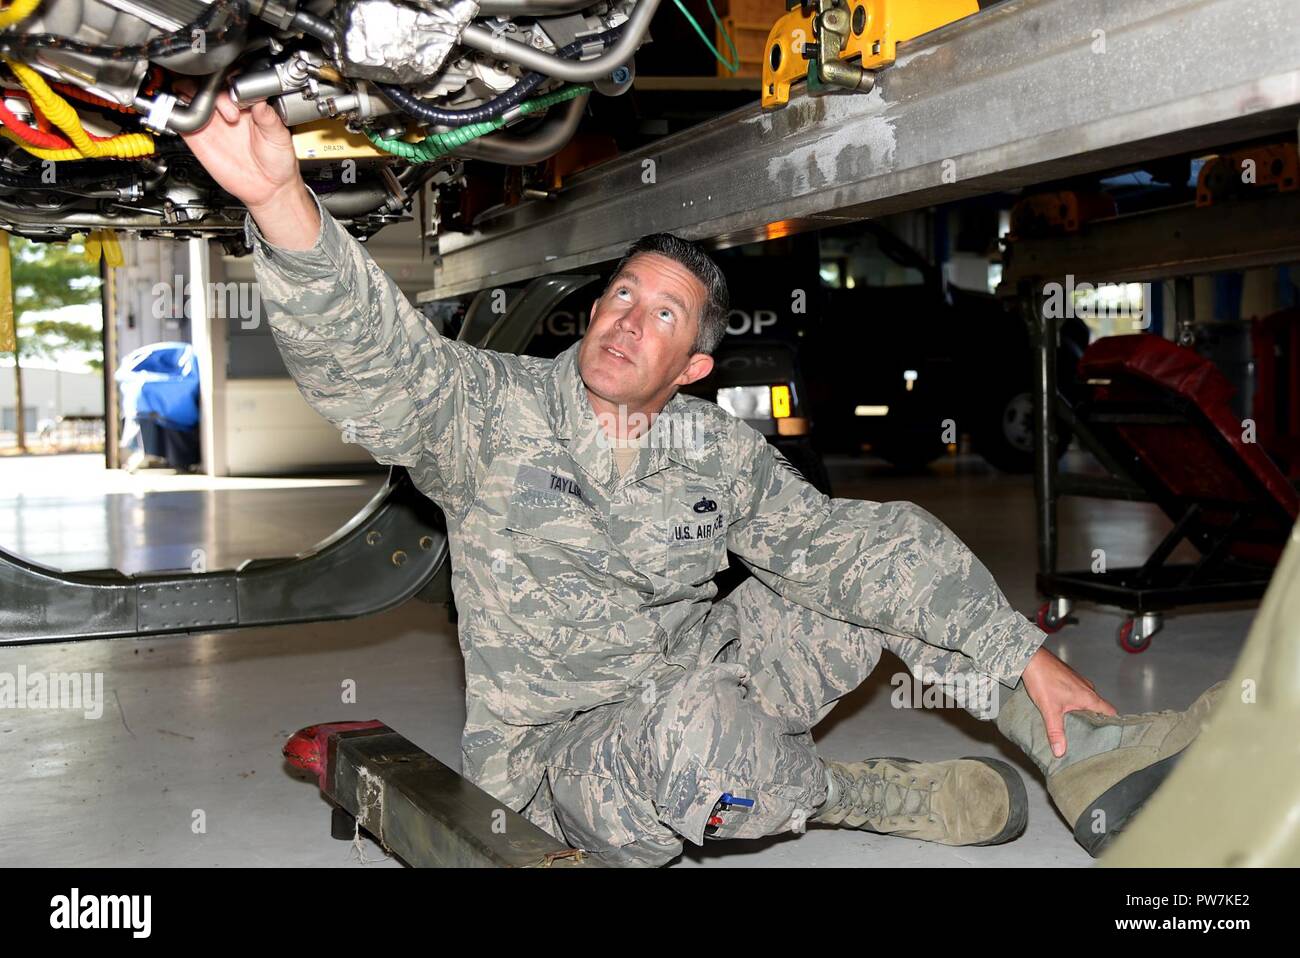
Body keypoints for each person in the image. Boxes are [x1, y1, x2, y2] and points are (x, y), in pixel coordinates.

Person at [182, 94, 1226, 866]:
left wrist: (1020, 653)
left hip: (704, 682)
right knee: (705, 740)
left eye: (664, 314)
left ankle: (1084, 749)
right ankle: (845, 794)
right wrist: (281, 199)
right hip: (566, 764)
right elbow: (375, 361)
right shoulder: (486, 412)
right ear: (592, 313)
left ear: (693, 368)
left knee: (881, 544)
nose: (629, 319)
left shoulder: (714, 448)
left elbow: (845, 560)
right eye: (621, 295)